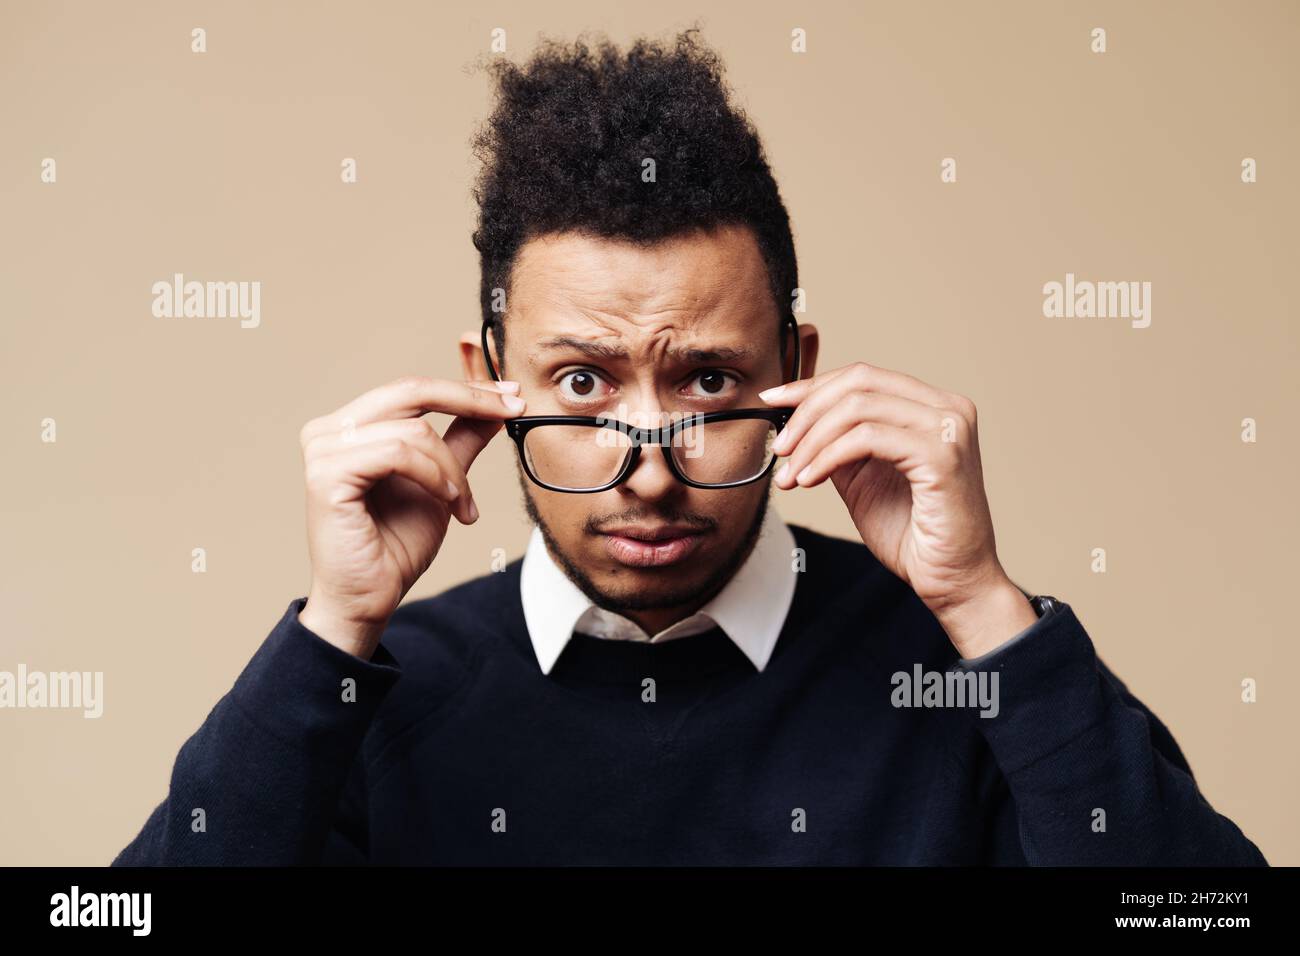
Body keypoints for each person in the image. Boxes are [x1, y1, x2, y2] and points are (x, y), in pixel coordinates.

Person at [113, 30, 1266, 866]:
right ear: (488, 384)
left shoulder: (965, 670)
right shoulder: (372, 694)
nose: (650, 467)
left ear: (794, 368)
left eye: (708, 380)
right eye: (582, 382)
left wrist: (983, 609)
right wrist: (329, 631)